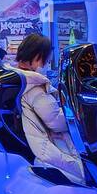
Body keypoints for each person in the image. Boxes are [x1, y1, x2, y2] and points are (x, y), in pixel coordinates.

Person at [13, 34, 84, 181]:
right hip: (48, 146)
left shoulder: (16, 78)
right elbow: (57, 123)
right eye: (45, 60)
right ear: (37, 56)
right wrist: (80, 114)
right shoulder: (33, 86)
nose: (46, 65)